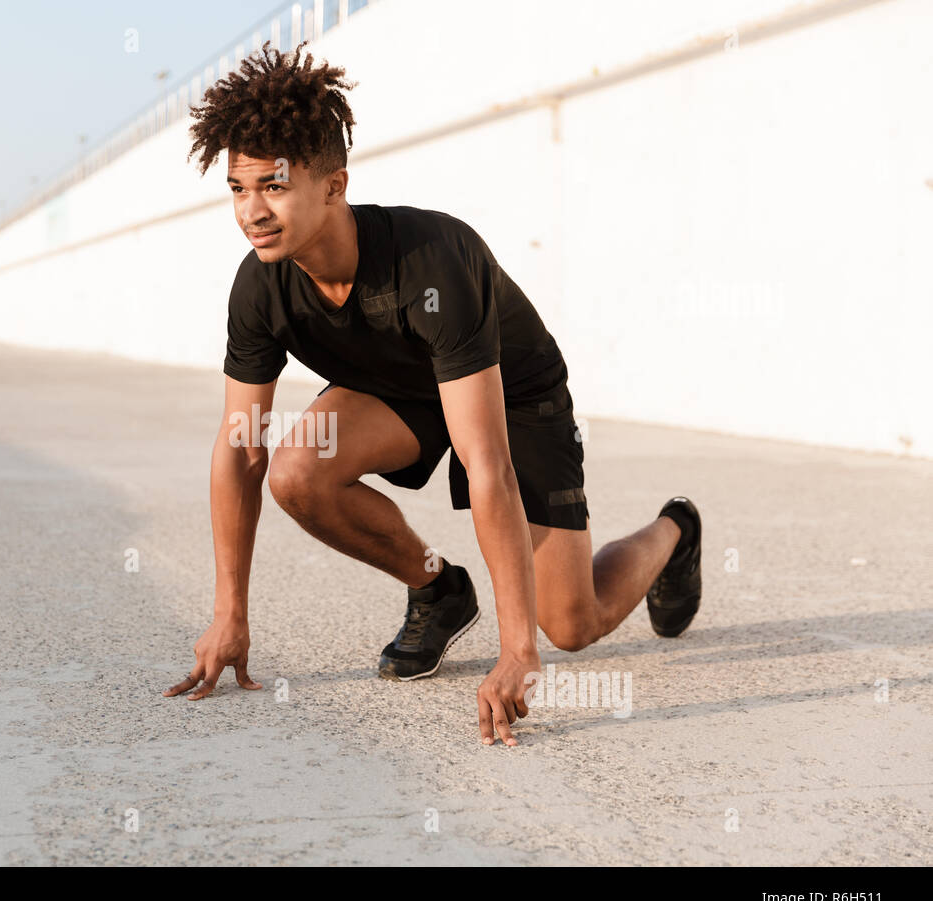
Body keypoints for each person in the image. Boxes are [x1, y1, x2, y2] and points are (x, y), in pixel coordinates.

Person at [163, 41, 701, 746]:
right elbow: (241, 451)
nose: (252, 211)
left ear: (333, 185)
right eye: (238, 188)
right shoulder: (260, 286)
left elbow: (488, 465)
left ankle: (676, 532)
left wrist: (518, 650)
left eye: (273, 186)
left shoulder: (433, 260)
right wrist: (229, 611)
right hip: (400, 390)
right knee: (298, 471)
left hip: (512, 392)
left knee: (572, 622)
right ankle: (438, 589)